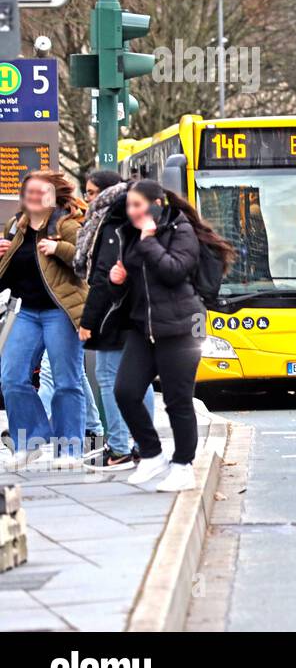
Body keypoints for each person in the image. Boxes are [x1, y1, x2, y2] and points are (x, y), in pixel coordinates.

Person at [111, 180, 234, 492]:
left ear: (157, 203)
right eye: (129, 206)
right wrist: (118, 278)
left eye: (138, 205)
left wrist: (149, 241)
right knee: (125, 391)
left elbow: (174, 271)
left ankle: (183, 466)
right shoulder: (130, 234)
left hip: (183, 327)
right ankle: (151, 453)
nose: (132, 212)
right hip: (144, 328)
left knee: (178, 400)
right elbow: (135, 286)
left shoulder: (182, 231)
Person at [0, 170, 88, 470]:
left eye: (42, 192)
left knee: (66, 382)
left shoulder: (66, 224)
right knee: (11, 377)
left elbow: (85, 262)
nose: (34, 197)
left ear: (54, 196)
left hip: (60, 313)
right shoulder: (16, 226)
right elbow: (9, 275)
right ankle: (29, 442)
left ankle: (70, 449)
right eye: (30, 192)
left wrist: (57, 248)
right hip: (27, 312)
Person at [77, 171, 156, 470]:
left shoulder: (110, 223)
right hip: (137, 311)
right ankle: (143, 445)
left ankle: (121, 447)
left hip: (115, 313)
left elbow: (101, 276)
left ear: (108, 193)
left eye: (92, 192)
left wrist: (88, 321)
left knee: (109, 376)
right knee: (140, 379)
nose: (88, 198)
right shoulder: (133, 218)